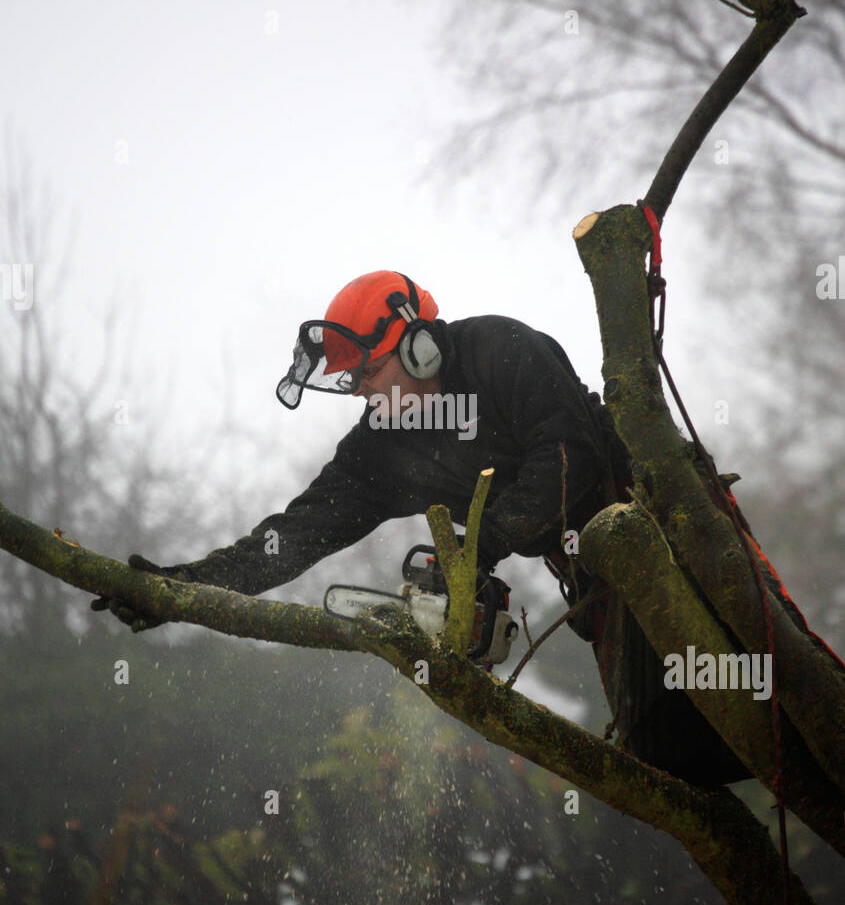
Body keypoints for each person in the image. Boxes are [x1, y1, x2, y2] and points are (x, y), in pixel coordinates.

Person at [92, 269, 749, 786]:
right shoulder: (383, 446)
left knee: (755, 699)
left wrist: (477, 547)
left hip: (671, 532)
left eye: (369, 375)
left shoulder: (500, 351)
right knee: (670, 751)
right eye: (351, 384)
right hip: (596, 578)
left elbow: (566, 456)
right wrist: (185, 587)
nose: (362, 395)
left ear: (419, 343)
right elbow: (298, 533)